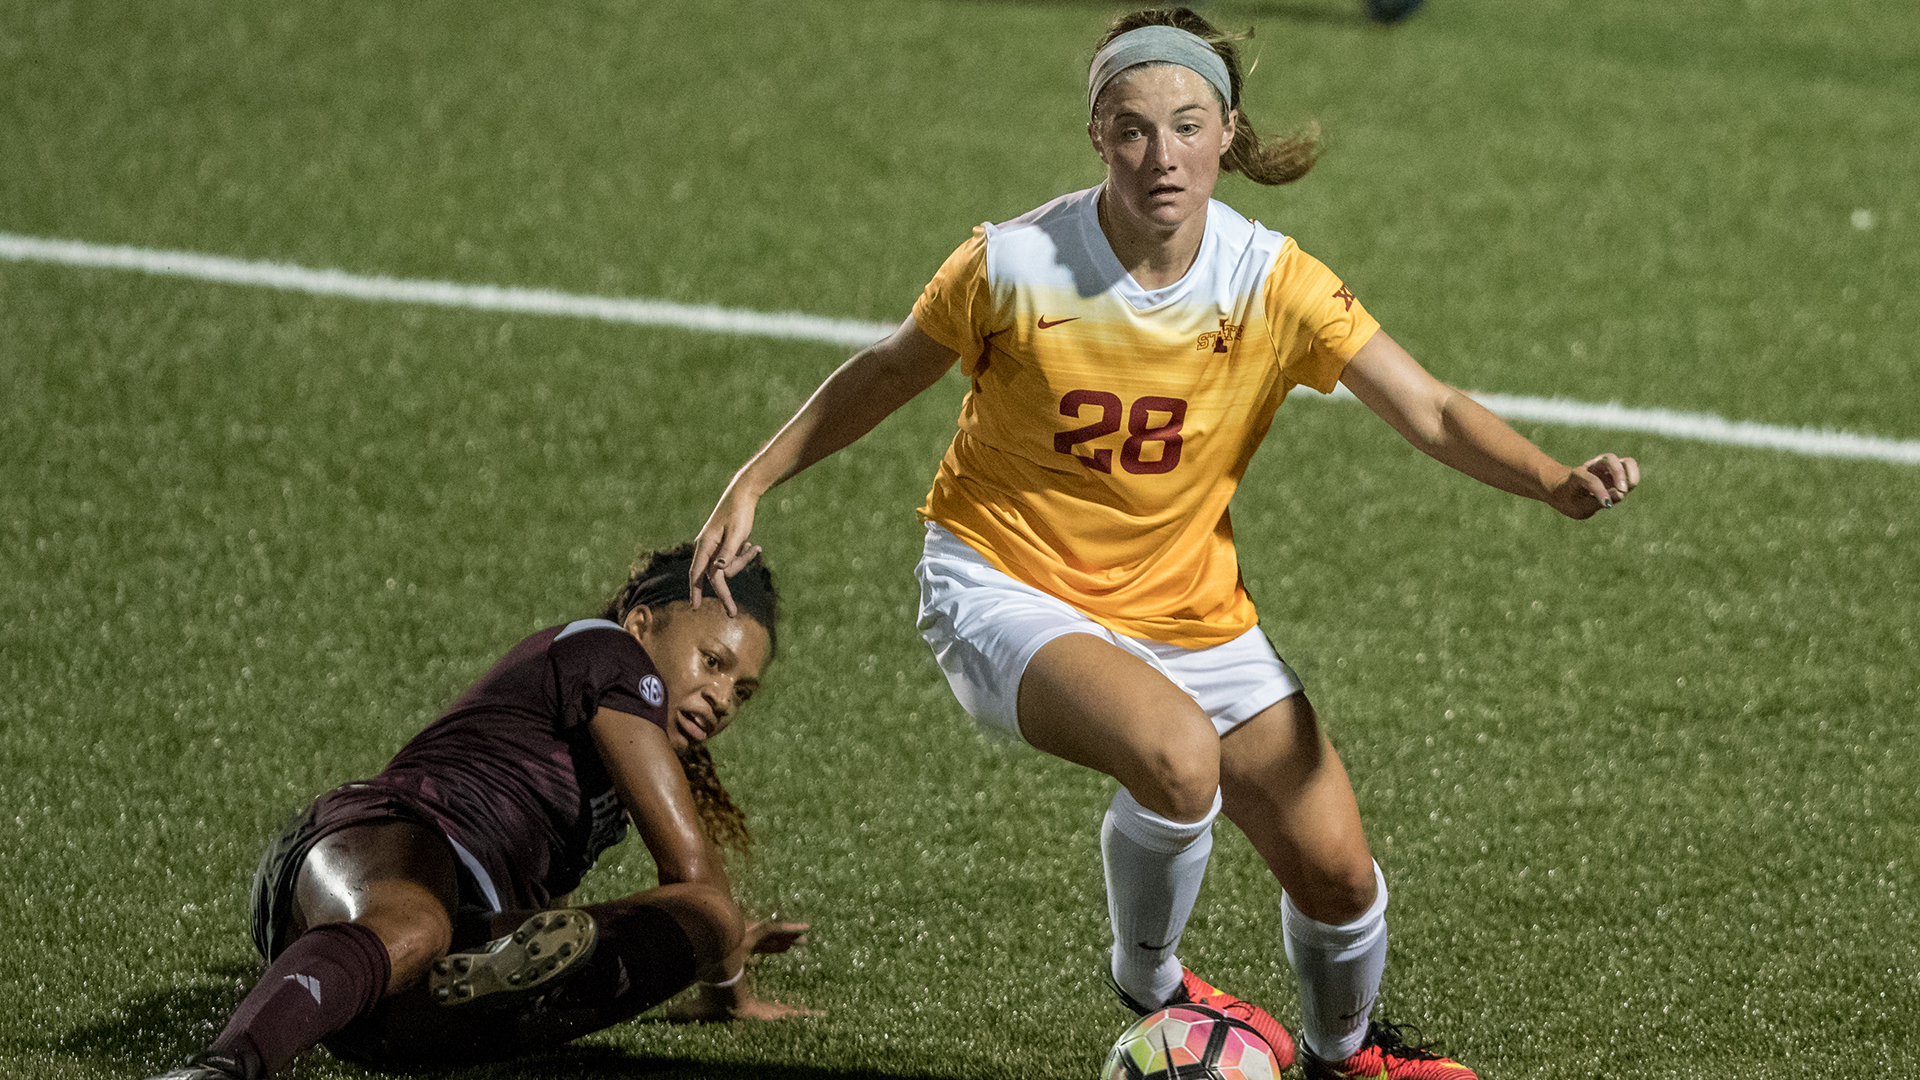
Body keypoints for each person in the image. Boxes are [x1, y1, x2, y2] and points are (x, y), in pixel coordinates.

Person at [689, 8, 1637, 1080]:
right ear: (1097, 133)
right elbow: (888, 370)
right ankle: (1156, 988)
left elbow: (1426, 408)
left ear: (1227, 132)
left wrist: (1552, 480)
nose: (1162, 156)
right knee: (1178, 759)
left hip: (1189, 605)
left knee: (1339, 877)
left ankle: (1345, 1054)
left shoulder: (1272, 280)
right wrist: (755, 476)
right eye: (1133, 129)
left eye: (1187, 126)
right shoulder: (1012, 263)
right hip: (1004, 584)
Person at [149, 545, 810, 1080]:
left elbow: (698, 902)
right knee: (416, 922)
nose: (723, 698)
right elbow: (691, 868)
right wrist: (729, 979)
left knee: (698, 919)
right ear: (642, 622)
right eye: (713, 663)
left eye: (742, 691)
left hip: (459, 936)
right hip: (393, 835)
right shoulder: (609, 651)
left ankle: (432, 985)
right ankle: (221, 1066)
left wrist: (713, 946)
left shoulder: (626, 753)